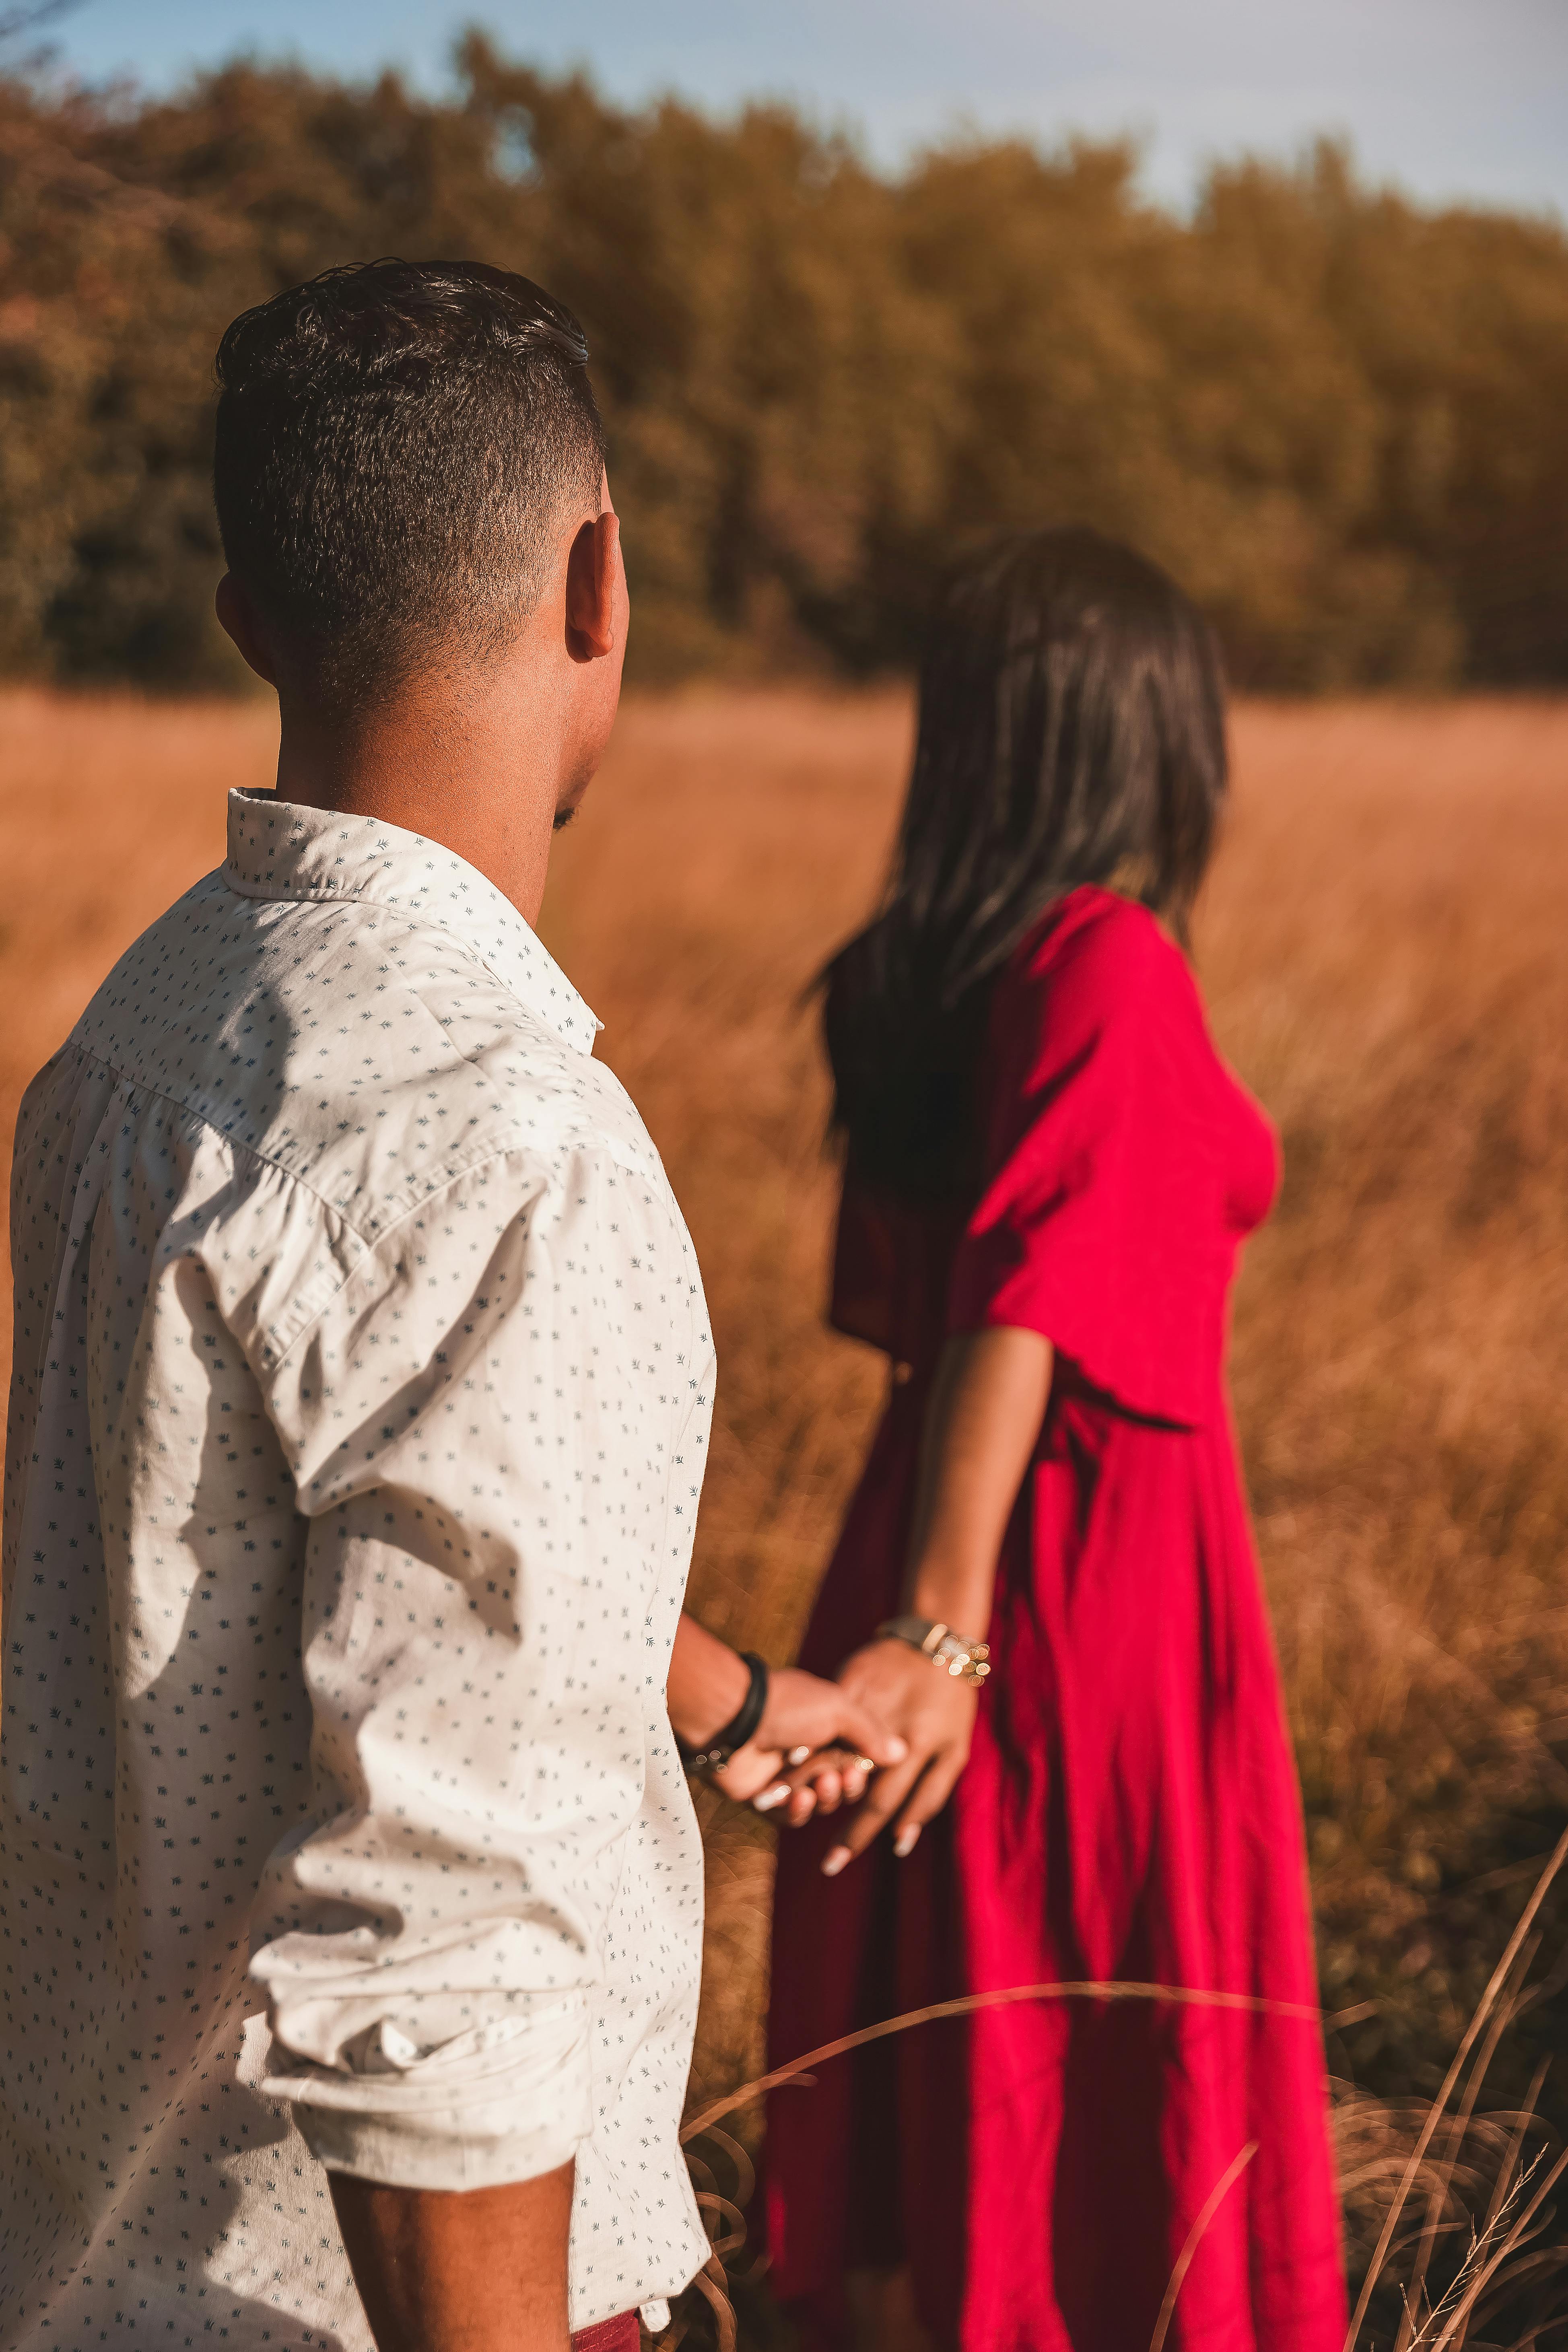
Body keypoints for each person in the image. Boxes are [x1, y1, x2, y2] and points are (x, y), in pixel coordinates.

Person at [0, 260, 898, 2352]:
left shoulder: (140, 1030)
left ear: (248, 619)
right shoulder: (500, 1143)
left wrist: (723, 1699)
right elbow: (442, 1965)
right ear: (600, 582)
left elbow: (290, 1564)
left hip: (78, 2248)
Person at [762, 529, 1348, 2352]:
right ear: (1144, 735)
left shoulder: (927, 968)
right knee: (1076, 2038)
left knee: (958, 2038)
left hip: (937, 1520)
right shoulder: (1109, 961)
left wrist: (923, 1606)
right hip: (1073, 1578)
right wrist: (946, 1633)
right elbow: (1020, 1301)